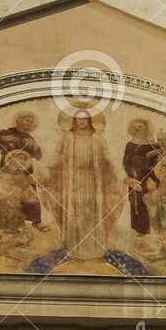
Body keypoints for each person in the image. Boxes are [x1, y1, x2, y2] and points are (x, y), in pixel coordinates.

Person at [55, 110, 116, 260]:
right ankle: (74, 248)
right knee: (75, 213)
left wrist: (124, 176)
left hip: (92, 182)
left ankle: (93, 249)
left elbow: (109, 159)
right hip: (73, 181)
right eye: (78, 119)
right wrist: (41, 172)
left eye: (84, 119)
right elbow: (55, 157)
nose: (81, 122)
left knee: (91, 213)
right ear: (74, 121)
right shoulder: (67, 138)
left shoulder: (98, 139)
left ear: (89, 121)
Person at [0, 112, 44, 225]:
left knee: (29, 196)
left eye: (31, 121)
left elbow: (38, 155)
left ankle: (33, 223)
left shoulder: (30, 138)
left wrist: (36, 150)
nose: (29, 123)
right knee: (6, 197)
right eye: (27, 120)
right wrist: (0, 141)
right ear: (18, 120)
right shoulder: (5, 133)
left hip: (24, 172)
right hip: (7, 171)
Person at [121, 118, 166, 235]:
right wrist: (131, 175)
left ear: (146, 128)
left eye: (140, 126)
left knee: (148, 202)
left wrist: (153, 155)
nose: (137, 128)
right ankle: (138, 230)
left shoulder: (152, 145)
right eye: (135, 126)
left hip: (148, 176)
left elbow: (158, 161)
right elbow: (126, 163)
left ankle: (150, 230)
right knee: (135, 202)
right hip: (135, 177)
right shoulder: (130, 145)